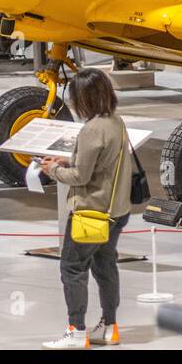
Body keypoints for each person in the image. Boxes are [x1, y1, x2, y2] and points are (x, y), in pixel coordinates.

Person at [40, 69, 133, 349]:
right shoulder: (116, 122)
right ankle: (109, 326)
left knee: (72, 267)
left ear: (85, 98)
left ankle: (77, 331)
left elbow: (81, 177)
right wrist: (70, 159)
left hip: (92, 211)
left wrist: (54, 169)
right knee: (105, 266)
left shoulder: (91, 129)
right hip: (117, 210)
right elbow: (100, 162)